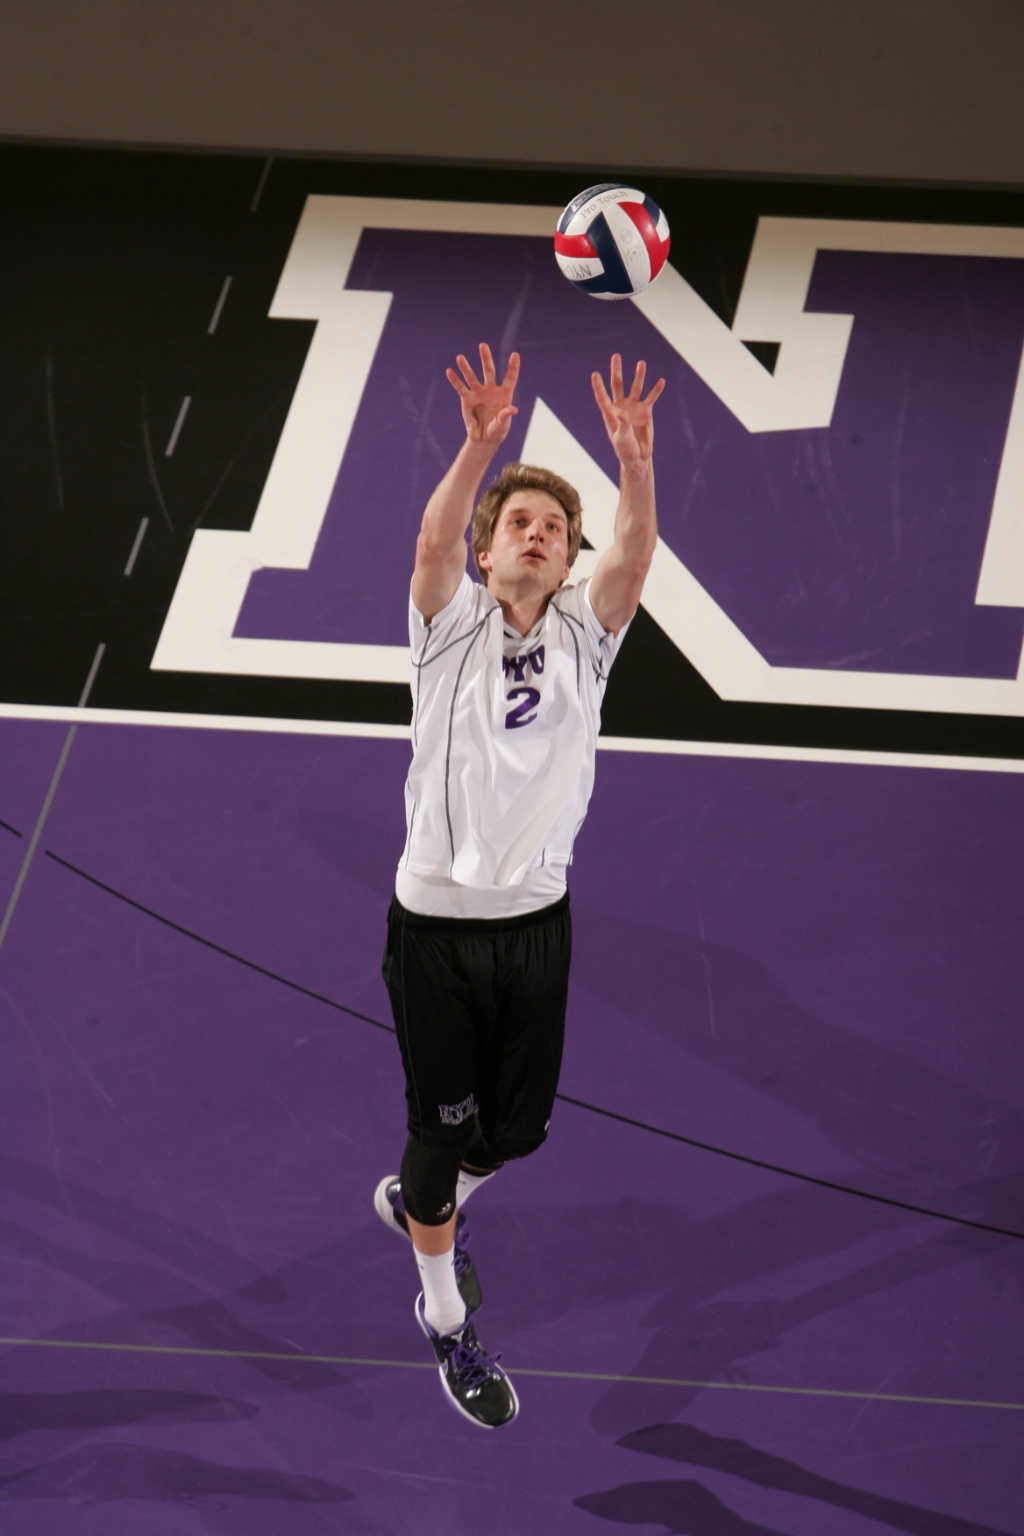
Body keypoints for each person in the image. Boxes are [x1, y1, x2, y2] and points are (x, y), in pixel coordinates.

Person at [375, 341, 664, 1428]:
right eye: (518, 526)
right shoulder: (446, 631)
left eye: (555, 527)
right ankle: (445, 1318)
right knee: (443, 1131)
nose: (536, 535)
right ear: (489, 555)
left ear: (569, 556)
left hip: (536, 924)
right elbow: (429, 537)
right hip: (437, 930)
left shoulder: (588, 643)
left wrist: (635, 467)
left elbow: (632, 562)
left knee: (516, 1135)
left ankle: (422, 1205)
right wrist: (478, 445)